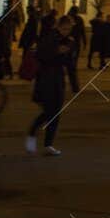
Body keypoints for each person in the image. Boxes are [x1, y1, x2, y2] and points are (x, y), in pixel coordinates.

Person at [26, 14, 75, 157]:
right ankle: (32, 134)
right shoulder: (50, 38)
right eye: (64, 29)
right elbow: (41, 55)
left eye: (68, 29)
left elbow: (70, 64)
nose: (66, 31)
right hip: (46, 79)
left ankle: (48, 144)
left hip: (58, 79)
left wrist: (75, 85)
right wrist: (56, 52)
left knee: (55, 113)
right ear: (58, 27)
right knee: (48, 112)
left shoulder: (69, 41)